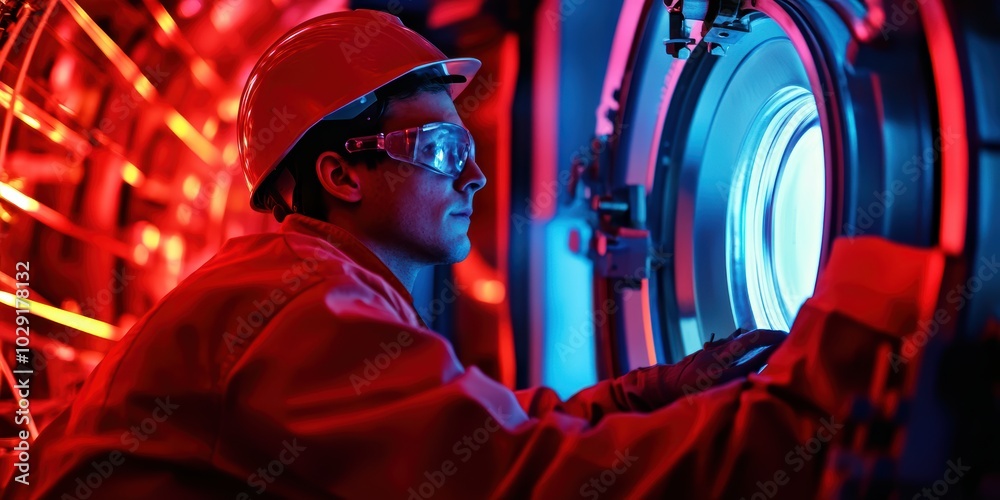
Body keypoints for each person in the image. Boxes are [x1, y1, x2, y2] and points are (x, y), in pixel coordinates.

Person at [3, 10, 946, 499]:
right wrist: (832, 385)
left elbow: (477, 438)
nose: (477, 182)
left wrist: (659, 389)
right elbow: (527, 491)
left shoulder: (305, 293)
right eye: (445, 152)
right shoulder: (293, 309)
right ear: (340, 173)